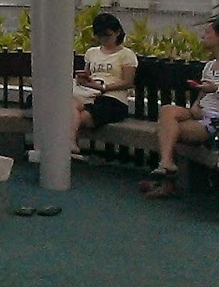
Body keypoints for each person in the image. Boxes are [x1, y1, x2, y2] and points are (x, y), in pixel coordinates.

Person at [143, 10, 219, 199]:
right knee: (167, 111)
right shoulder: (210, 65)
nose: (203, 36)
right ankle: (167, 163)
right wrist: (196, 104)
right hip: (199, 113)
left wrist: (215, 88)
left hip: (213, 121)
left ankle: (167, 180)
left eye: (208, 33)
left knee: (166, 131)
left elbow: (211, 88)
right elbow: (202, 91)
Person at [71, 12, 137, 155]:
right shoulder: (92, 52)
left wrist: (103, 87)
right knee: (70, 108)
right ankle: (70, 145)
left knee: (79, 117)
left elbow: (128, 82)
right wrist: (84, 80)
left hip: (113, 99)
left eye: (107, 35)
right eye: (100, 36)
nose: (103, 39)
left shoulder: (126, 55)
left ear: (117, 32)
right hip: (90, 94)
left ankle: (70, 145)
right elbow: (88, 73)